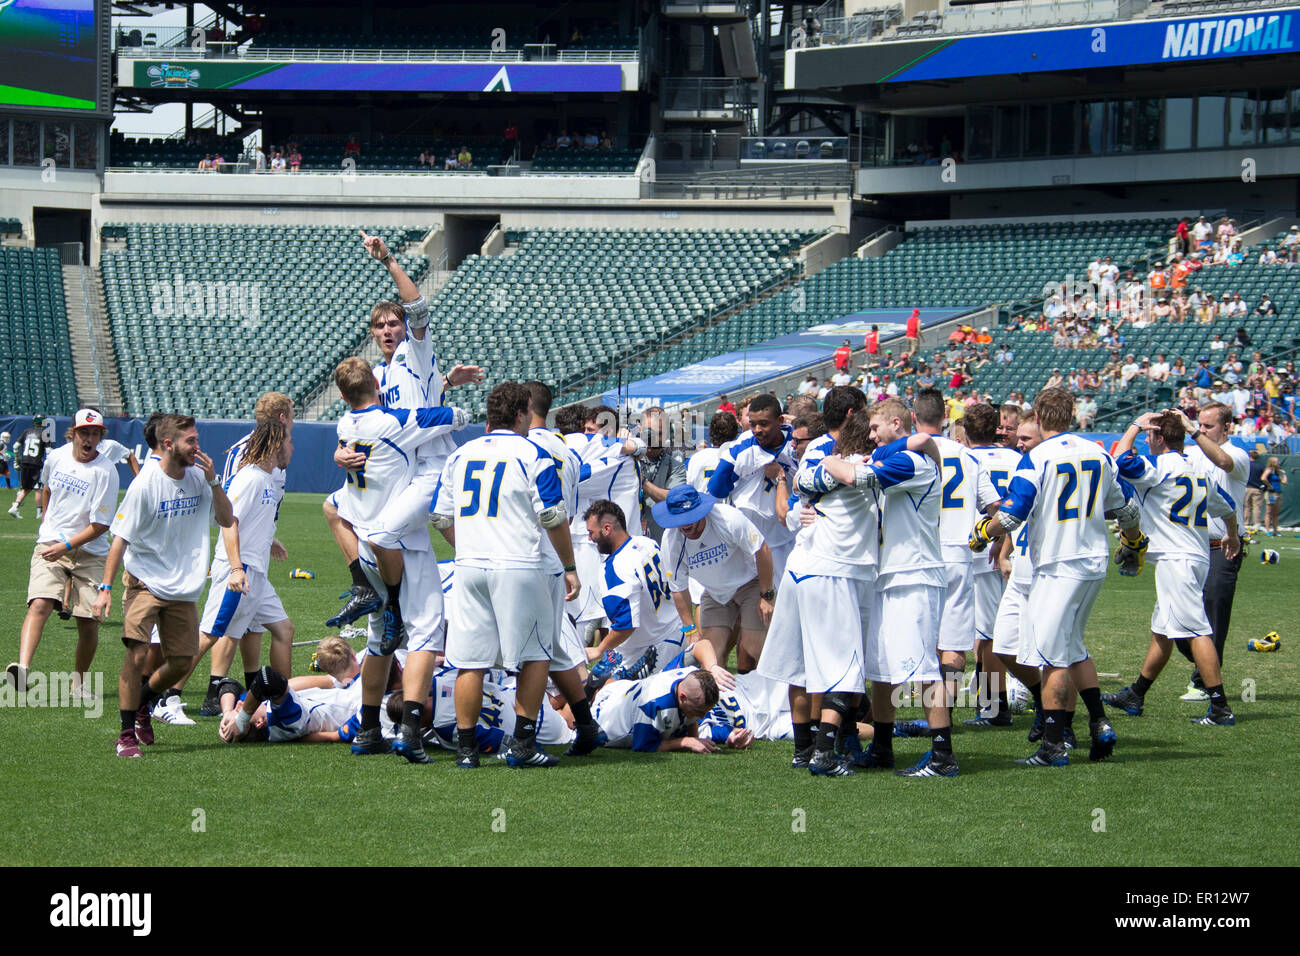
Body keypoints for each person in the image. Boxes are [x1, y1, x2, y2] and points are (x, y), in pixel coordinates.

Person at [970, 388, 1141, 767]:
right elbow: (1125, 507)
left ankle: (1054, 743)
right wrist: (1133, 542)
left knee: (1052, 656)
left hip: (1057, 564)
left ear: (1041, 418)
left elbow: (1012, 516)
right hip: (1091, 560)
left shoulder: (1038, 458)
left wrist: (985, 531)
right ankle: (1098, 722)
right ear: (1071, 414)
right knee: (1068, 645)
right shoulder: (1098, 453)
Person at [324, 232, 482, 634]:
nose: (389, 329)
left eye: (394, 322)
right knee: (338, 510)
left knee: (426, 528)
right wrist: (341, 452)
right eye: (380, 325)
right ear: (373, 334)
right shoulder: (376, 376)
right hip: (405, 467)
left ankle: (402, 604)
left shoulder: (416, 351)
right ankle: (369, 590)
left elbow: (418, 306)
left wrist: (389, 260)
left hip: (434, 463)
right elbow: (367, 424)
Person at [431, 381, 579, 769]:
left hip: (470, 566)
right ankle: (523, 745)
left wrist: (465, 546)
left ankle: (466, 750)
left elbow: (439, 516)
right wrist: (569, 567)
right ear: (520, 413)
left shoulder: (461, 454)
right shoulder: (533, 452)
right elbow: (552, 515)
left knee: (471, 661)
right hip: (519, 565)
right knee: (535, 655)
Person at [333, 357, 467, 762]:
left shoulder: (344, 426)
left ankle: (369, 728)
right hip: (401, 545)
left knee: (379, 641)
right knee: (425, 633)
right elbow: (453, 417)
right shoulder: (394, 422)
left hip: (366, 540)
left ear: (342, 396)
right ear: (377, 381)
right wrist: (446, 395)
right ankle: (409, 730)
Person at [92, 415, 237, 758]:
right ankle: (126, 733)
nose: (197, 447)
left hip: (183, 590)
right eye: (191, 441)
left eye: (197, 439)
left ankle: (143, 705)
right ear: (169, 444)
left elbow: (227, 519)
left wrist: (215, 483)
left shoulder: (202, 478)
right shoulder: (146, 484)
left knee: (182, 662)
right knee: (137, 653)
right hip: (145, 583)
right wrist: (105, 588)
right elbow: (120, 540)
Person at [1104, 412, 1240, 726]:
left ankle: (1220, 706)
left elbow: (1121, 460)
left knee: (1196, 631)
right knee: (1163, 630)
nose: (1146, 440)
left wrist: (1135, 423)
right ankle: (1136, 694)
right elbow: (1228, 507)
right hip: (1194, 556)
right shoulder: (1196, 469)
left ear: (1160, 437)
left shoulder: (1160, 467)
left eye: (1150, 435)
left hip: (1176, 559)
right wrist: (1232, 533)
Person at [6, 410, 119, 699]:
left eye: (95, 433)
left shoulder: (106, 471)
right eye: (84, 432)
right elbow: (46, 487)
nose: (89, 438)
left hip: (90, 552)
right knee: (39, 604)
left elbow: (101, 525)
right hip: (50, 544)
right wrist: (47, 525)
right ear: (73, 433)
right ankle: (23, 668)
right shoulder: (56, 457)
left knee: (88, 622)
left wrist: (66, 545)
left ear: (100, 437)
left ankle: (77, 685)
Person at [192, 420, 295, 727]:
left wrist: (269, 539)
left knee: (283, 630)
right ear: (276, 444)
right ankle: (162, 692)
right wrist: (237, 568)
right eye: (289, 441)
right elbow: (229, 521)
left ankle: (282, 698)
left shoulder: (265, 479)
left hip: (256, 571)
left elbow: (248, 520)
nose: (292, 448)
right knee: (210, 633)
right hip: (242, 570)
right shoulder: (250, 478)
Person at [659, 484, 774, 674]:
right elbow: (678, 589)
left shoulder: (727, 519)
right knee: (710, 653)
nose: (686, 525)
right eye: (679, 520)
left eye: (690, 518)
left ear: (702, 511)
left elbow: (761, 549)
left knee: (755, 645)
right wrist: (690, 630)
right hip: (715, 592)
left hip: (750, 583)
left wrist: (767, 595)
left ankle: (779, 693)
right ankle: (722, 700)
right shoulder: (672, 542)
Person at [1177, 402, 1250, 701]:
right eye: (1200, 425)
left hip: (1224, 546)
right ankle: (1204, 666)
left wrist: (1193, 432)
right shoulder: (1192, 451)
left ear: (1227, 427)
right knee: (1179, 617)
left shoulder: (1239, 454)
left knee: (1214, 613)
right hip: (1192, 544)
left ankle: (1205, 682)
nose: (1202, 430)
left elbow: (1222, 461)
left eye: (1209, 426)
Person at [960, 403, 1022, 725]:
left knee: (988, 634)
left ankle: (995, 707)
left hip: (981, 550)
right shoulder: (1017, 458)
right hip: (1013, 548)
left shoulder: (966, 458)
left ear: (967, 431)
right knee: (1001, 626)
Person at [583, 499, 692, 675]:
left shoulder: (614, 568)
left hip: (647, 652)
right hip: (675, 632)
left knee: (598, 695)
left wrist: (600, 648)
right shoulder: (646, 542)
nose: (590, 538)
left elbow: (626, 623)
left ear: (607, 529)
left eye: (591, 532)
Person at [707, 394, 797, 585]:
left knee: (784, 602)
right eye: (753, 423)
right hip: (748, 539)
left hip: (787, 537)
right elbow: (716, 487)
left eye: (764, 424)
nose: (757, 430)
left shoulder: (796, 445)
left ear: (780, 421)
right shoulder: (744, 445)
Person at [639, 406, 687, 542]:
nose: (653, 438)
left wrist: (643, 482)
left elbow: (673, 499)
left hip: (661, 542)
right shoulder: (625, 460)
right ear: (639, 430)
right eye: (649, 432)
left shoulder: (675, 466)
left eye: (659, 433)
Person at [10, 415, 52, 518]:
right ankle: (39, 513)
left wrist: (17, 459)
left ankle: (14, 507)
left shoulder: (27, 431)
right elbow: (48, 451)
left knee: (26, 488)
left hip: (24, 462)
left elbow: (15, 447)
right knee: (38, 488)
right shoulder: (45, 433)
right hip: (36, 463)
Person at [1263, 456, 1287, 536]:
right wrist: (1269, 486)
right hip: (1271, 493)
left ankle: (1275, 531)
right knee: (1269, 512)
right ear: (1272, 463)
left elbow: (1284, 482)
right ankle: (1267, 530)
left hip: (1278, 493)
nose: (1279, 463)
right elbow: (1263, 478)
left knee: (1276, 513)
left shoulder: (1276, 472)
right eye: (1277, 462)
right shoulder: (1269, 470)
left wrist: (1283, 473)